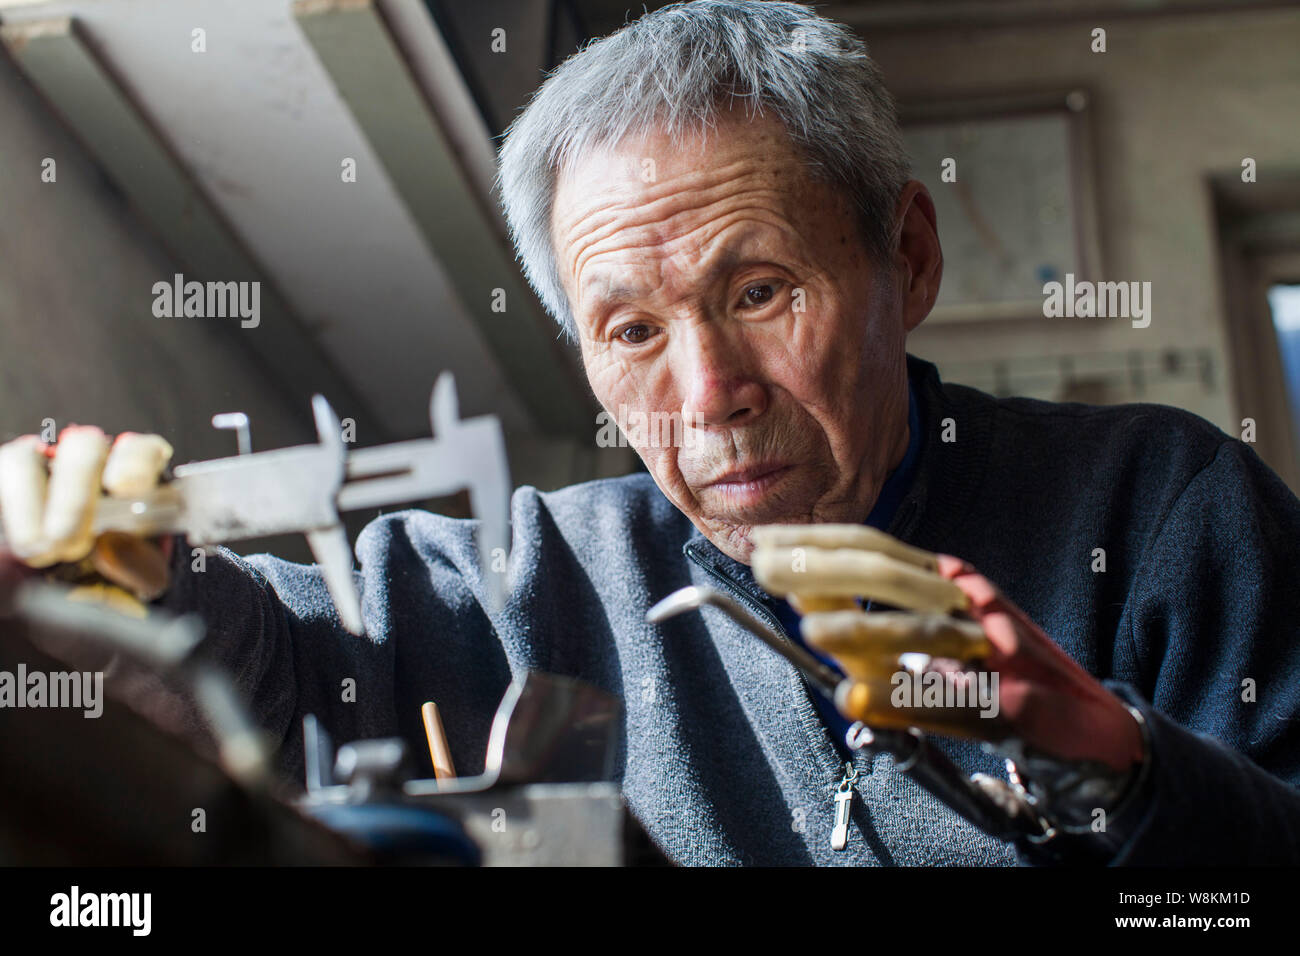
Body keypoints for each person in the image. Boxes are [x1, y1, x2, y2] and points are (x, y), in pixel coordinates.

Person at [3, 0, 1299, 866]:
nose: (708, 389)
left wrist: (1118, 769)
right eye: (631, 332)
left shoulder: (1165, 511)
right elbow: (284, 676)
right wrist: (145, 582)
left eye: (758, 292)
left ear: (905, 257)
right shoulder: (531, 586)